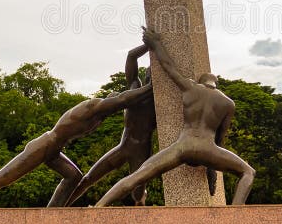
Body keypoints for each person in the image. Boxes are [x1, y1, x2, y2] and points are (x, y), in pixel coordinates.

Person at [95, 28, 255, 207]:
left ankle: (98, 206)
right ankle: (234, 214)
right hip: (207, 149)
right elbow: (219, 140)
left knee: (136, 177)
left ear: (200, 81)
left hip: (182, 147)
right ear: (216, 85)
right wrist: (212, 170)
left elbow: (169, 66)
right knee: (248, 172)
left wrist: (155, 44)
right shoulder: (228, 104)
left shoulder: (191, 88)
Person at [0, 76, 152, 208]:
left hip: (55, 150)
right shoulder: (93, 106)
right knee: (5, 176)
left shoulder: (99, 117)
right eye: (114, 104)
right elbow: (124, 99)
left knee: (74, 177)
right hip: (45, 145)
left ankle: (53, 212)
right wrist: (151, 87)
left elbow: (124, 101)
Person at [63, 44, 156, 206]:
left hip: (141, 152)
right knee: (88, 178)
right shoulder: (134, 88)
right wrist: (148, 44)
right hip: (123, 146)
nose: (150, 74)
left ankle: (142, 209)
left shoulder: (159, 104)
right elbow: (131, 56)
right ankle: (60, 208)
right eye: (149, 71)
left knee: (137, 195)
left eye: (154, 73)